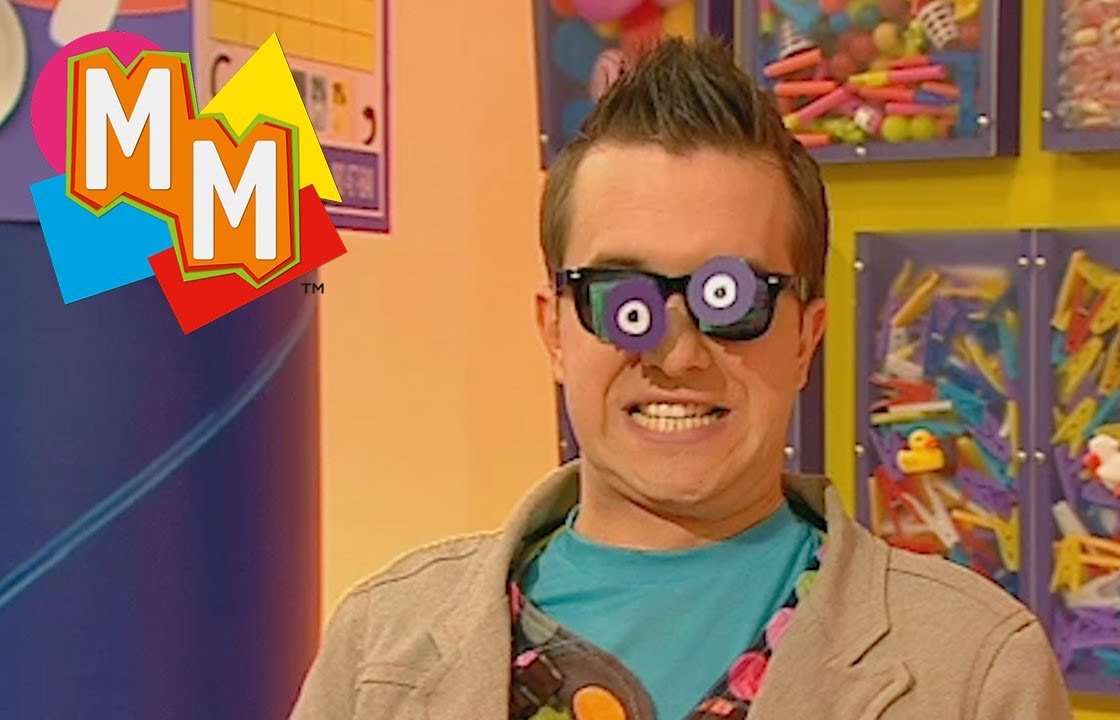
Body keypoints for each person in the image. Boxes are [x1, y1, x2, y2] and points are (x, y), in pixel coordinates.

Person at [289, 38, 1072, 720]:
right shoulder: (380, 645)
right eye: (621, 298)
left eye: (731, 299)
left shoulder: (973, 669)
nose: (679, 354)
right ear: (555, 330)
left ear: (807, 337)